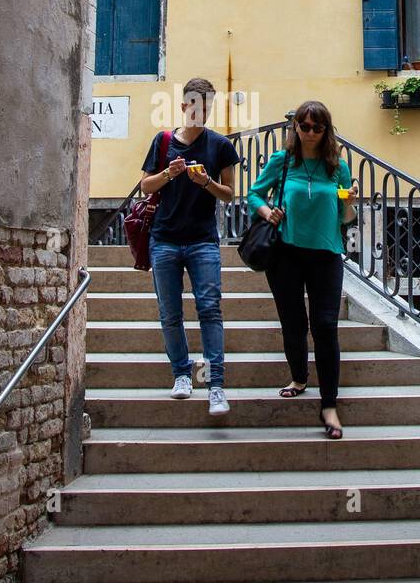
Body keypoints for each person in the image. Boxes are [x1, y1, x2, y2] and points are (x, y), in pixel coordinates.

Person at [245, 101, 358, 438]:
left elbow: (345, 218)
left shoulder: (338, 167)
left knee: (325, 326)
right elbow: (253, 193)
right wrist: (268, 213)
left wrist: (349, 201)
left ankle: (329, 406)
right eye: (303, 126)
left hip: (326, 253)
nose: (309, 132)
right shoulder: (283, 163)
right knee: (293, 322)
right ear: (295, 128)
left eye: (316, 127)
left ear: (326, 131)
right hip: (286, 253)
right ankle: (298, 376)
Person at [140, 78, 240, 414]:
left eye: (206, 107)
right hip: (164, 239)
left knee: (209, 310)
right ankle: (182, 374)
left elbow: (229, 193)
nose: (200, 112)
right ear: (184, 106)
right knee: (170, 314)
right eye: (194, 106)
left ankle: (215, 385)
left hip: (202, 241)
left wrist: (206, 182)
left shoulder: (220, 146)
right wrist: (169, 173)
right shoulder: (164, 140)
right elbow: (145, 186)